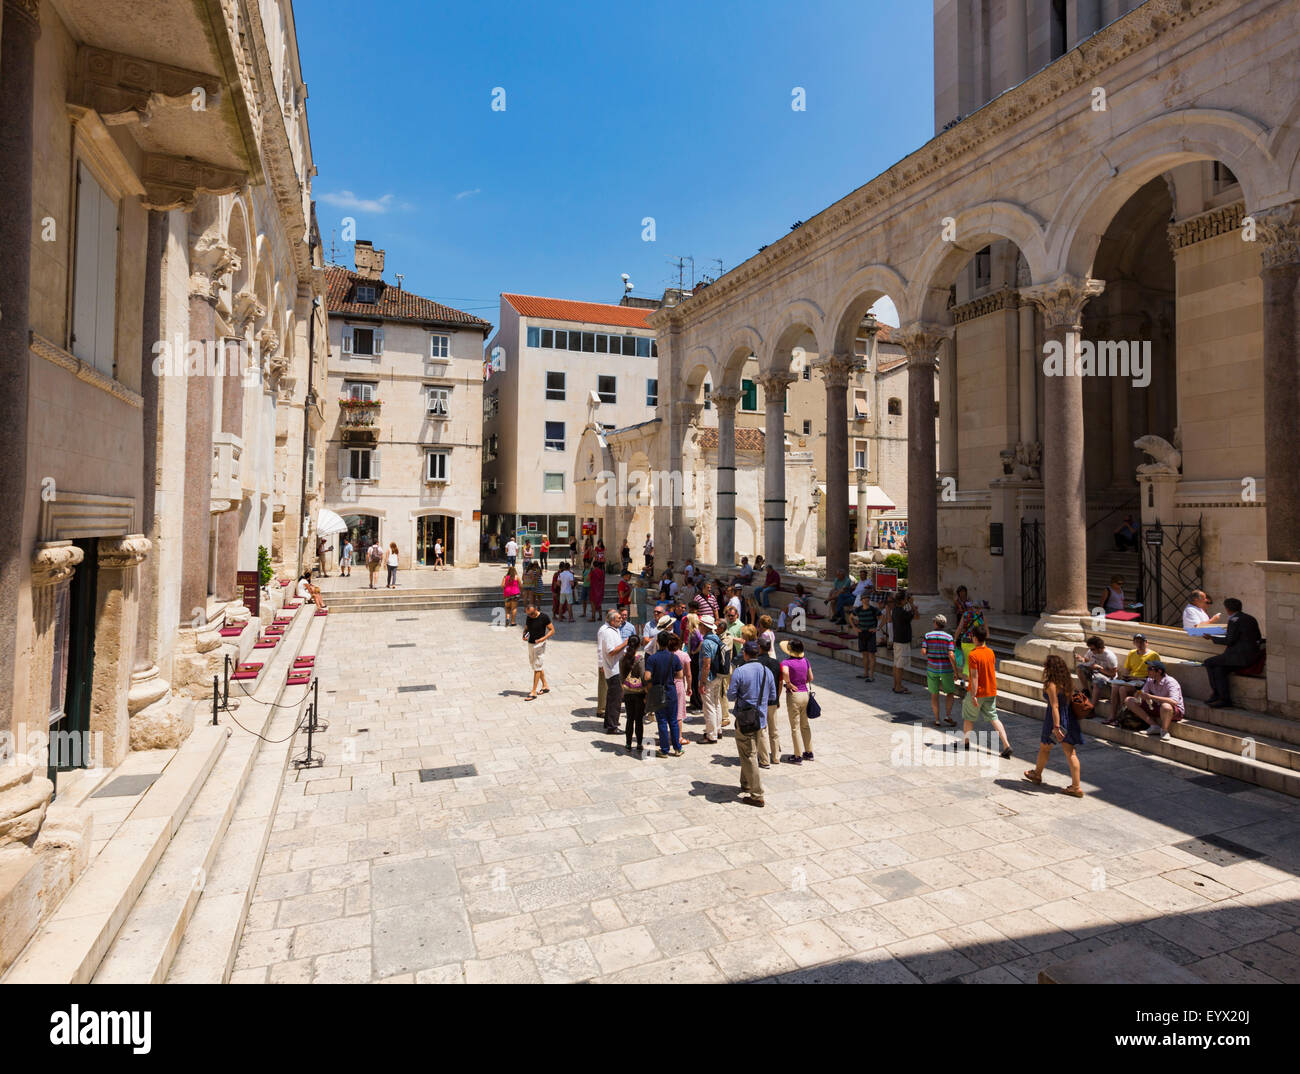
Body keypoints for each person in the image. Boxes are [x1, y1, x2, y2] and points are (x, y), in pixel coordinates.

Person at [1024, 655, 1084, 797]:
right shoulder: (1068, 681)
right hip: (1069, 718)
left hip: (1055, 720)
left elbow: (1055, 705)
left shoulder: (1051, 684)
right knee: (1071, 752)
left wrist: (1056, 726)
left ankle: (1037, 774)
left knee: (1045, 747)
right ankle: (1076, 786)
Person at [727, 640, 778, 808]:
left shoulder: (740, 671)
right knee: (748, 751)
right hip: (761, 719)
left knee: (748, 754)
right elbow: (772, 695)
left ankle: (757, 795)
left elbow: (731, 696)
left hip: (744, 719)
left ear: (746, 654)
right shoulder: (767, 671)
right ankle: (746, 783)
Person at [961, 623, 1013, 757]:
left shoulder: (973, 655)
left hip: (978, 692)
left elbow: (974, 676)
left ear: (975, 638)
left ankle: (966, 742)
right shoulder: (991, 652)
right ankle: (1006, 744)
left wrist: (973, 695)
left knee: (968, 717)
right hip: (991, 690)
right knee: (994, 717)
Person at [1204, 597, 1264, 708]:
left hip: (1238, 658)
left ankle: (1216, 694)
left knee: (1208, 662)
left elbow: (1229, 641)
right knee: (1219, 669)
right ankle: (1223, 698)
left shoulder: (1234, 620)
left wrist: (1211, 637)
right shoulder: (1250, 618)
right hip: (1251, 656)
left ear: (1227, 609)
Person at [1124, 660, 1184, 740]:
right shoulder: (1150, 680)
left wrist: (1151, 697)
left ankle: (1164, 730)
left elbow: (1174, 701)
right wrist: (1139, 694)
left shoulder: (1171, 682)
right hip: (1157, 706)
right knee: (1129, 700)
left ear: (1159, 671)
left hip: (1173, 710)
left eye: (1150, 669)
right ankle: (1154, 726)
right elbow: (1144, 694)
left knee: (1166, 706)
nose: (1147, 671)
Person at [646, 631, 683, 757]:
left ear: (657, 642)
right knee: (673, 720)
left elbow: (647, 676)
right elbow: (680, 675)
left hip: (657, 691)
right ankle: (677, 748)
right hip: (671, 690)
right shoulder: (674, 657)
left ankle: (664, 750)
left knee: (661, 721)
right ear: (668, 642)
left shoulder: (652, 658)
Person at [780, 638, 814, 763]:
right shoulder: (806, 661)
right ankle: (809, 752)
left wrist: (788, 683)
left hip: (794, 695)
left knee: (795, 727)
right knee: (805, 725)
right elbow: (810, 677)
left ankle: (798, 755)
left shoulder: (786, 662)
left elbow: (784, 672)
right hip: (805, 693)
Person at [1109, 633, 1161, 717]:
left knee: (1122, 689)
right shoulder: (1132, 653)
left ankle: (1123, 714)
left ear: (1146, 642)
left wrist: (1137, 678)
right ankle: (1112, 715)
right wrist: (1125, 677)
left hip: (1144, 681)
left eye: (1141, 642)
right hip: (1131, 680)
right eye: (1137, 642)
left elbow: (1157, 674)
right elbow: (1127, 670)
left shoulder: (1153, 655)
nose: (1139, 644)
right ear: (1134, 643)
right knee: (1114, 686)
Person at [922, 614, 959, 727]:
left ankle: (937, 719)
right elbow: (951, 654)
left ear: (935, 623)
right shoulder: (949, 637)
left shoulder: (927, 636)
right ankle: (947, 716)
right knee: (950, 692)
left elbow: (923, 652)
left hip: (932, 668)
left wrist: (930, 652)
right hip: (946, 669)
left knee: (934, 694)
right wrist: (956, 671)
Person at [597, 610, 629, 733]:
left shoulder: (613, 631)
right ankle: (612, 726)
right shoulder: (608, 633)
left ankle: (609, 722)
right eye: (618, 619)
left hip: (615, 668)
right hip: (613, 670)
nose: (621, 620)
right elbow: (611, 651)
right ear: (611, 621)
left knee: (612, 698)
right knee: (615, 700)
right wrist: (625, 644)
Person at [755, 636, 783, 767]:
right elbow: (780, 682)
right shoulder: (777, 663)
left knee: (762, 730)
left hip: (760, 700)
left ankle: (765, 759)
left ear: (759, 648)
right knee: (774, 729)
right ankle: (776, 757)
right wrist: (777, 698)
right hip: (772, 700)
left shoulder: (756, 664)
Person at [697, 615, 725, 743]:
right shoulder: (717, 639)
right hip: (718, 675)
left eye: (700, 625)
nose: (698, 627)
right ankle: (718, 730)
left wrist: (702, 681)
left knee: (708, 706)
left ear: (705, 627)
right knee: (716, 703)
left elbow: (706, 664)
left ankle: (711, 735)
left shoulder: (707, 643)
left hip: (709, 677)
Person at [1074, 634, 1119, 711]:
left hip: (1107, 676)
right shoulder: (1091, 652)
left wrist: (1099, 668)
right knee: (1080, 668)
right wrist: (1081, 659)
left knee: (1097, 681)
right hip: (1094, 671)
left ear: (1099, 648)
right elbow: (1086, 660)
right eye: (1090, 649)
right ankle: (1086, 690)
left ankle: (1091, 707)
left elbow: (1113, 674)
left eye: (1092, 649)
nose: (1091, 651)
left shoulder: (1110, 656)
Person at [621, 636, 647, 755]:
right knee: (639, 720)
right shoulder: (639, 659)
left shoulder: (623, 659)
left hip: (627, 692)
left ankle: (628, 744)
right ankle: (639, 744)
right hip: (639, 693)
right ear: (638, 646)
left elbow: (621, 676)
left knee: (629, 718)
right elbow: (643, 677)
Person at [522, 603, 553, 700]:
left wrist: (542, 639)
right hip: (531, 643)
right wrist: (524, 635)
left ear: (536, 609)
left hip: (540, 644)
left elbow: (552, 630)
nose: (530, 616)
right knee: (535, 665)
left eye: (531, 613)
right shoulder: (529, 617)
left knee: (537, 667)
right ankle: (545, 686)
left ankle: (533, 692)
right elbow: (527, 628)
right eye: (528, 614)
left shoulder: (544, 617)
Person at [891, 589, 918, 694]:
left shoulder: (896, 610)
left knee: (896, 664)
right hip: (902, 641)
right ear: (902, 600)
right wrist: (912, 604)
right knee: (900, 665)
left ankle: (896, 685)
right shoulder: (902, 612)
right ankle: (898, 687)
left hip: (897, 640)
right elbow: (916, 616)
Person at [850, 593, 880, 682]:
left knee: (871, 655)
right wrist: (855, 628)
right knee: (864, 655)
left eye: (867, 598)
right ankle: (865, 673)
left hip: (871, 634)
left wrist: (877, 628)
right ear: (861, 600)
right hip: (862, 633)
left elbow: (883, 617)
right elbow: (850, 617)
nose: (866, 600)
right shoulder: (858, 610)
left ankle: (871, 675)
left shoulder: (873, 609)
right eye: (864, 598)